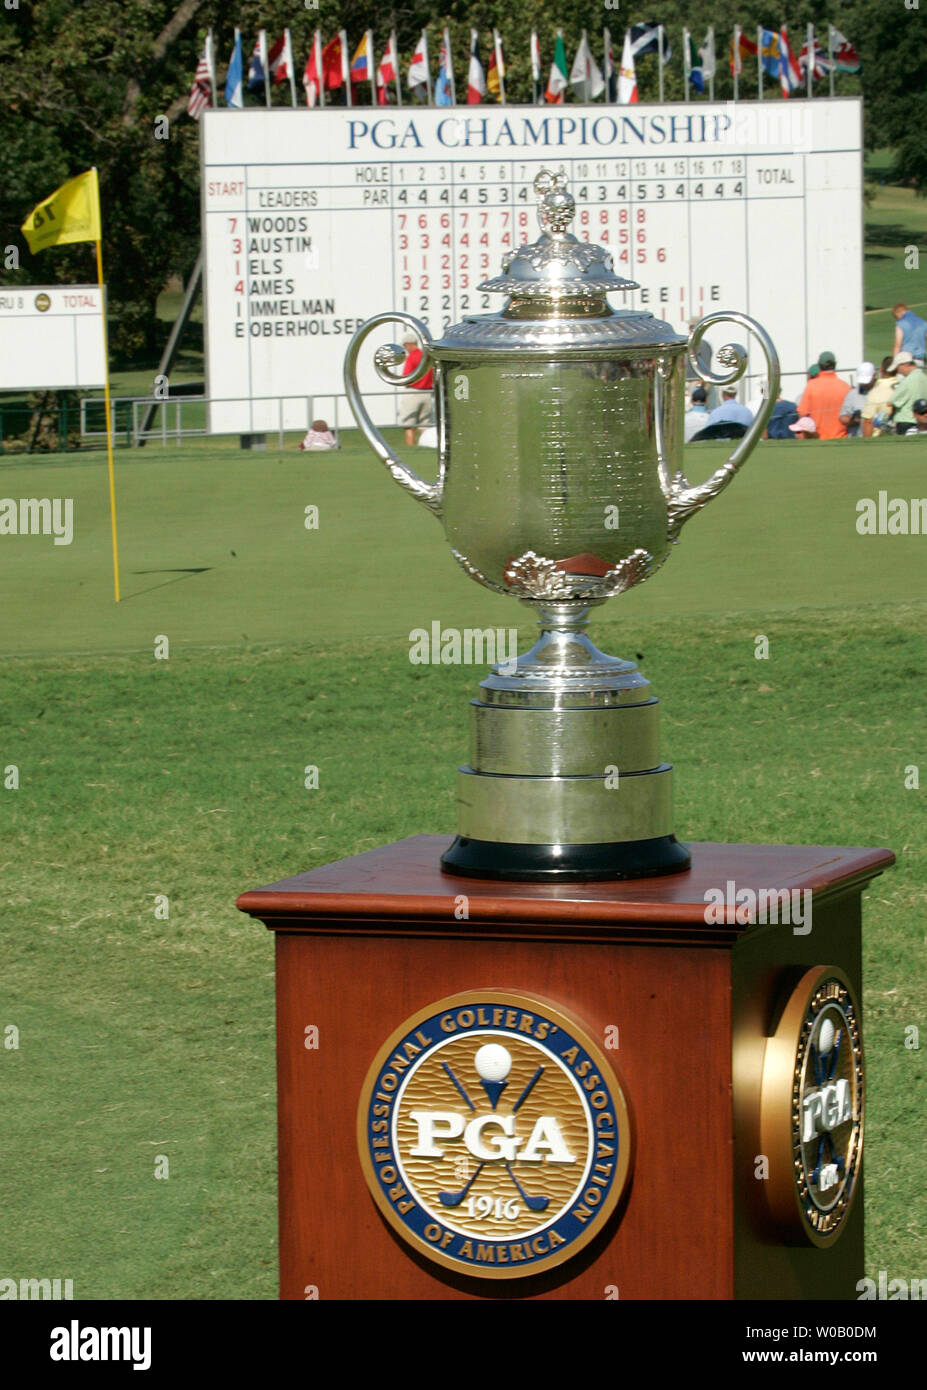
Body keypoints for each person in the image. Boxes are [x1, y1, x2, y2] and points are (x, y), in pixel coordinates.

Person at [796, 351, 851, 439]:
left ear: (819, 365)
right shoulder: (845, 387)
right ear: (835, 364)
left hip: (817, 438)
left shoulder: (811, 386)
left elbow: (802, 413)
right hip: (840, 438)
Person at [400, 331, 434, 446]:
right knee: (424, 426)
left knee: (409, 425)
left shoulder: (411, 358)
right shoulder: (427, 357)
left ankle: (411, 448)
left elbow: (406, 376)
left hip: (413, 393)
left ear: (408, 344)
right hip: (428, 393)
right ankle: (424, 448)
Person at [885, 351, 927, 433]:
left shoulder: (907, 381)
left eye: (898, 368)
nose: (898, 371)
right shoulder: (924, 377)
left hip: (906, 422)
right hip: (922, 422)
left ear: (904, 365)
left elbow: (890, 402)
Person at [861, 357, 898, 437]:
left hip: (882, 439)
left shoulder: (875, 392)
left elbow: (868, 422)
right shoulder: (904, 384)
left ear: (881, 370)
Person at [839, 362, 876, 438]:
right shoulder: (852, 394)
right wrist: (854, 420)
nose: (865, 385)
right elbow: (842, 417)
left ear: (874, 376)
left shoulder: (880, 392)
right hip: (857, 438)